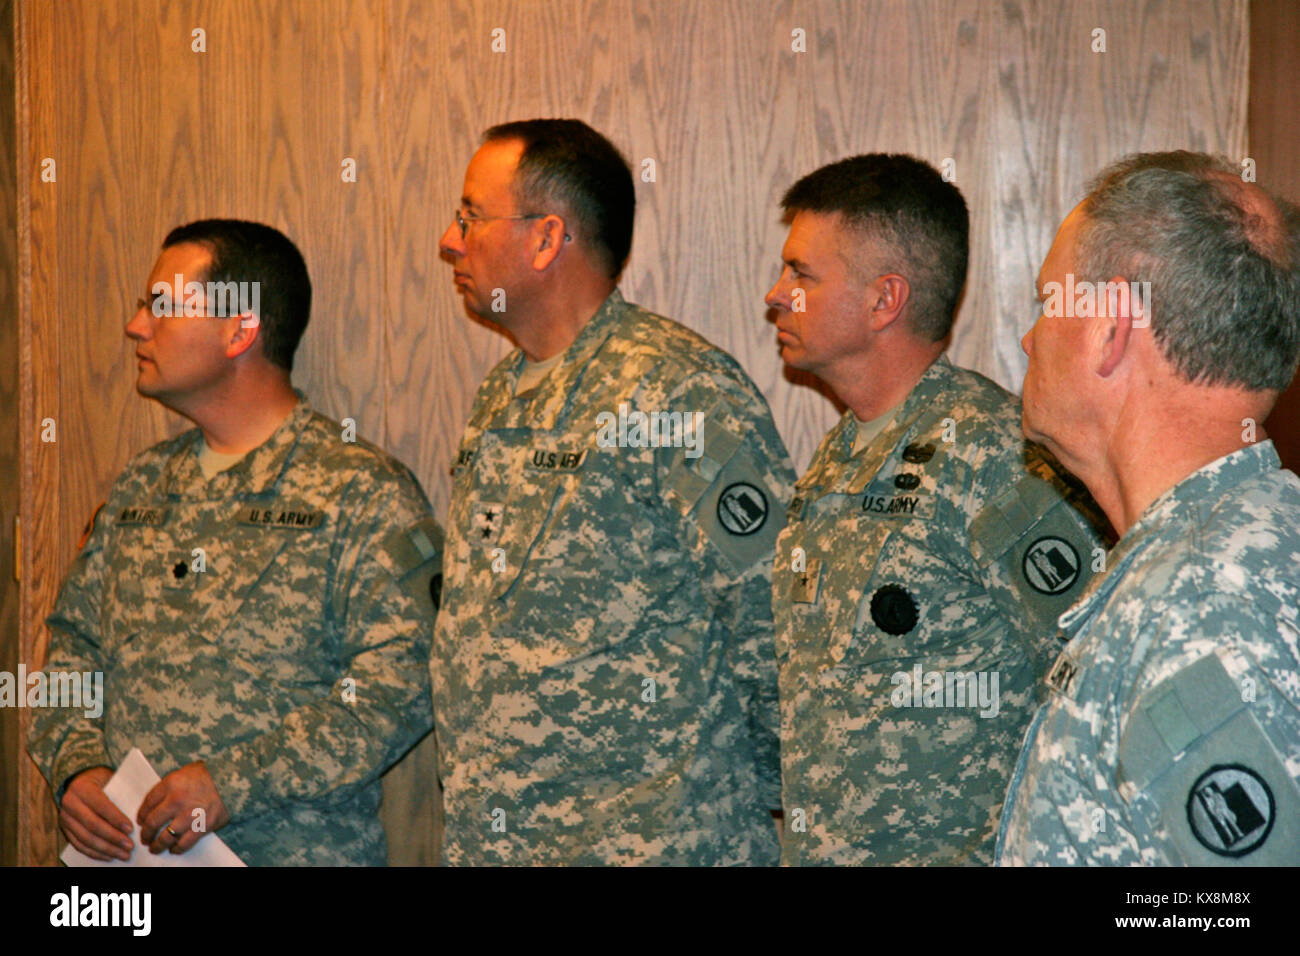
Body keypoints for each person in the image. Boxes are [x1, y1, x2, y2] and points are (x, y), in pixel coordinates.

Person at [434, 118, 795, 865]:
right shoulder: (502, 394)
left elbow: (773, 614)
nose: (449, 240)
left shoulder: (675, 389)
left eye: (470, 218)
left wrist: (733, 798)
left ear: (545, 238)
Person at [28, 219, 442, 866]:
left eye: (161, 306)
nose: (136, 326)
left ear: (239, 330)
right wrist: (76, 767)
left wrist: (234, 782)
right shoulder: (143, 484)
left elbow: (404, 684)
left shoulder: (361, 491)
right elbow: (72, 646)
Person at [765, 154, 1107, 865]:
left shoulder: (992, 459)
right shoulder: (839, 459)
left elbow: (1099, 687)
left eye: (801, 274)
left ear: (884, 300)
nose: (777, 294)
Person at [998, 151, 1300, 865]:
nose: (1029, 338)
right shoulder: (1240, 542)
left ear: (1110, 330)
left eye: (1048, 304)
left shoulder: (1201, 603)